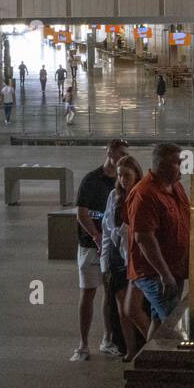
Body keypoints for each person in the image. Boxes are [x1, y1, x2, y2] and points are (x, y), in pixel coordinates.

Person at [72, 140, 131, 360]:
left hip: (112, 249)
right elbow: (82, 213)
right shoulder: (91, 180)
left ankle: (107, 339)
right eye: (119, 153)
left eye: (125, 154)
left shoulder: (121, 182)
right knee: (88, 291)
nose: (121, 158)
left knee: (110, 293)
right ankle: (83, 344)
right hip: (89, 246)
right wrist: (96, 237)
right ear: (109, 152)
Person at [126, 142, 191, 327]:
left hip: (174, 268)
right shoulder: (144, 194)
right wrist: (164, 274)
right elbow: (144, 239)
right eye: (177, 163)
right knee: (177, 324)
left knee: (159, 324)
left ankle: (148, 356)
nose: (181, 167)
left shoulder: (175, 188)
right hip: (154, 273)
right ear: (161, 165)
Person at [102, 153, 145, 359]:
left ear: (136, 174)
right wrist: (104, 261)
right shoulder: (114, 196)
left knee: (135, 308)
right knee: (122, 310)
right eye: (119, 175)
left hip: (136, 258)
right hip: (118, 257)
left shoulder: (141, 196)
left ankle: (148, 345)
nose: (122, 179)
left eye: (126, 175)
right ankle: (130, 349)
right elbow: (106, 228)